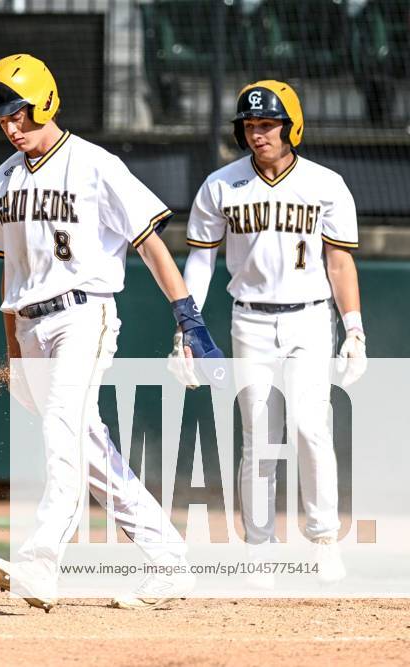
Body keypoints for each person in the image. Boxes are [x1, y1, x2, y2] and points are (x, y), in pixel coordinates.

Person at [0, 53, 224, 611]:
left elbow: (151, 244)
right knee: (88, 449)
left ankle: (41, 565)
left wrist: (188, 315)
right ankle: (169, 562)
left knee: (61, 429)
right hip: (32, 324)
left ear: (45, 102)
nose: (10, 128)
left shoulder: (94, 164)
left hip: (84, 315)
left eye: (18, 114)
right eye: (1, 120)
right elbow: (10, 275)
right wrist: (13, 351)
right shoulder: (0, 181)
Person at [180, 80, 365, 587]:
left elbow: (340, 261)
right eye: (250, 125)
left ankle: (324, 538)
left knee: (310, 426)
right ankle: (259, 547)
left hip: (310, 315)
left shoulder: (326, 184)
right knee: (259, 437)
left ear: (291, 126)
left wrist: (354, 329)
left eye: (267, 124)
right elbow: (200, 261)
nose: (258, 133)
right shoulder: (221, 184)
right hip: (251, 319)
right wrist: (187, 327)